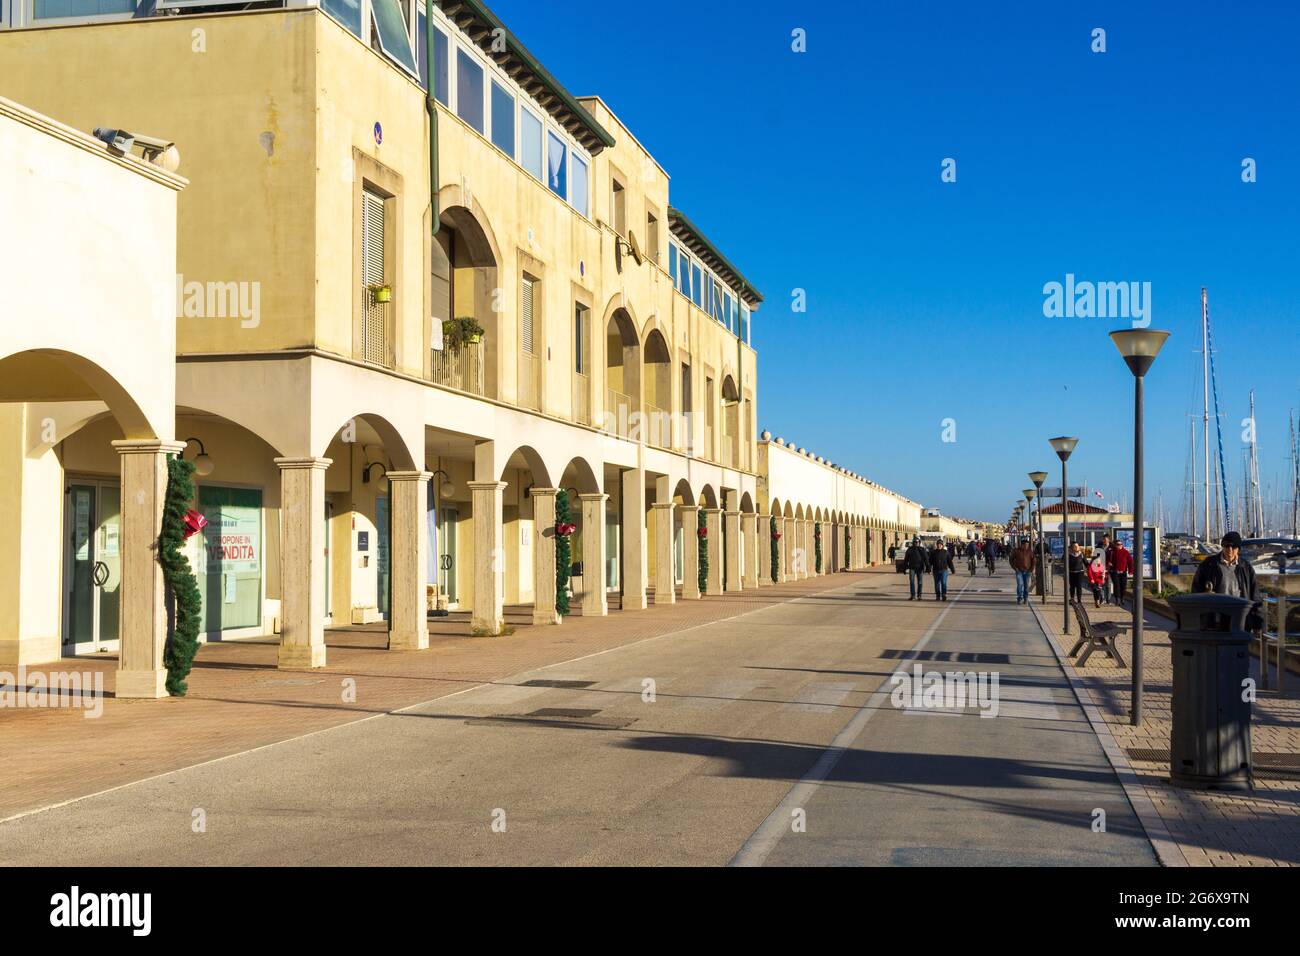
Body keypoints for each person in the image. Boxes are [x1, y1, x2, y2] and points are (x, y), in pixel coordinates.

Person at [1192, 531, 1263, 629]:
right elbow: (1196, 590)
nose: (1229, 550)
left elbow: (1255, 594)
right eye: (1226, 546)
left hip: (1240, 617)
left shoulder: (1246, 567)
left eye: (1233, 547)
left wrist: (1257, 622)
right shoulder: (1209, 564)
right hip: (1215, 618)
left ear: (1238, 549)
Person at [1106, 536, 1133, 607]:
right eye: (1118, 544)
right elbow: (1106, 559)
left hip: (1123, 572)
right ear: (1115, 545)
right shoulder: (1111, 552)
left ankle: (1122, 598)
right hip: (1114, 571)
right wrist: (1108, 562)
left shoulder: (1125, 552)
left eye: (1121, 544)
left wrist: (1131, 570)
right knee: (1117, 585)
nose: (1120, 545)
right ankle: (1117, 599)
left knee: (1123, 586)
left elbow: (1130, 562)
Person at [1010, 540, 1034, 604]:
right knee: (1020, 585)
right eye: (1026, 545)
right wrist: (1015, 568)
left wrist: (1031, 570)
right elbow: (1011, 559)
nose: (1027, 546)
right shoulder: (1017, 551)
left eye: (1027, 545)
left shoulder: (1030, 551)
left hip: (1027, 571)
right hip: (1019, 571)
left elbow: (1033, 561)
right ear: (1022, 545)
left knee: (1026, 586)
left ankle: (1025, 598)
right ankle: (1019, 597)